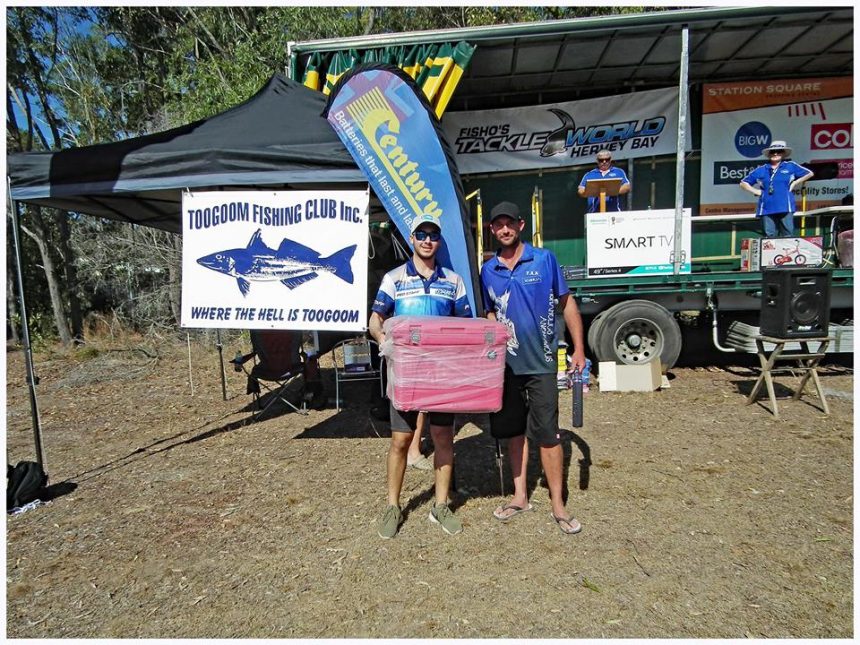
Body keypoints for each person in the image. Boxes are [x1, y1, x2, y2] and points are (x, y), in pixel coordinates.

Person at [480, 201, 587, 535]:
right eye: (498, 225)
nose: (504, 229)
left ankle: (558, 505)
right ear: (492, 230)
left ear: (521, 224)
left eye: (509, 223)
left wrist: (579, 349)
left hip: (541, 364)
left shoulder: (544, 259)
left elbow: (567, 304)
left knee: (548, 436)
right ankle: (520, 496)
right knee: (514, 433)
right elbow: (490, 313)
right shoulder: (488, 270)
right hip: (506, 369)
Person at [368, 214, 472, 538]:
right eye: (421, 234)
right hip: (406, 375)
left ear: (439, 241)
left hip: (441, 376)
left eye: (433, 235)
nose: (428, 240)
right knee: (400, 441)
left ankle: (440, 506)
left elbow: (466, 325)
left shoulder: (453, 281)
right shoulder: (395, 278)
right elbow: (375, 318)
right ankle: (392, 506)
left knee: (443, 438)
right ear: (411, 238)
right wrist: (385, 343)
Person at [739, 140, 813, 237]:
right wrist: (756, 191)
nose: (775, 153)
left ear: (784, 153)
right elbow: (743, 183)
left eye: (779, 151)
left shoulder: (790, 166)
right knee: (769, 237)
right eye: (772, 152)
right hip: (766, 208)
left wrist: (795, 182)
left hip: (785, 206)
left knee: (787, 236)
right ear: (769, 154)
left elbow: (810, 173)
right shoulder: (762, 169)